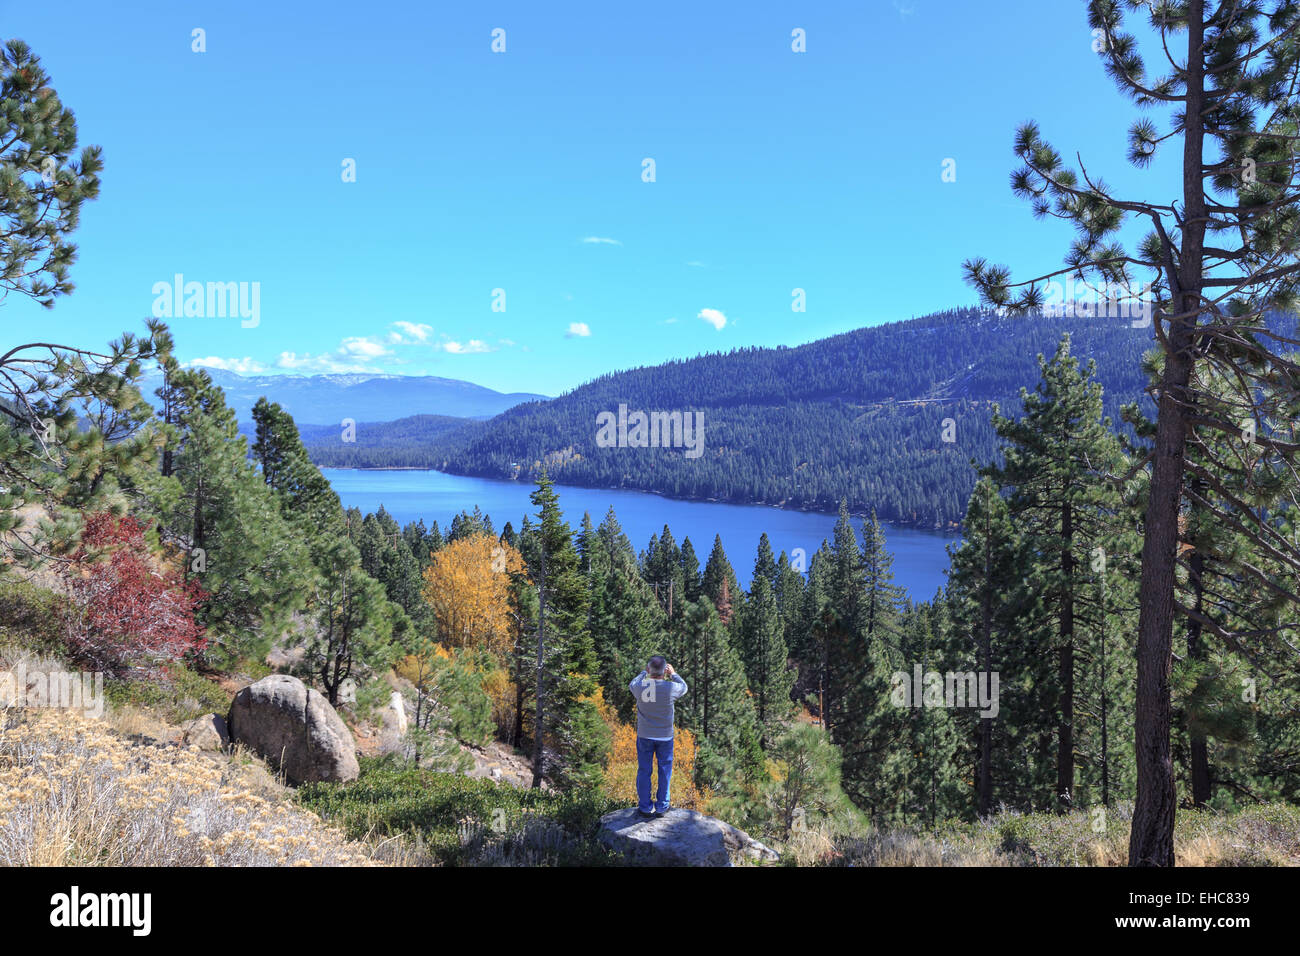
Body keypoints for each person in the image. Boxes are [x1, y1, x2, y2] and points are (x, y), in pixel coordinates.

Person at [628, 655, 688, 819]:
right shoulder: (671, 688)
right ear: (664, 671)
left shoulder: (640, 687)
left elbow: (631, 684)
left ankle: (645, 807)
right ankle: (662, 806)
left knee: (644, 771)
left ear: (649, 670)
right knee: (664, 771)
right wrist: (673, 674)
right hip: (665, 737)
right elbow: (684, 687)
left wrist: (643, 673)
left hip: (645, 735)